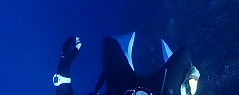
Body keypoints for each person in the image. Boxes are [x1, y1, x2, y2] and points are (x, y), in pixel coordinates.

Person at [53, 33, 200, 95]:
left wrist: (64, 63)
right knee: (183, 55)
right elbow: (185, 57)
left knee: (109, 44)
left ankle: (127, 67)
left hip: (120, 89)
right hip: (157, 91)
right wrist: (192, 76)